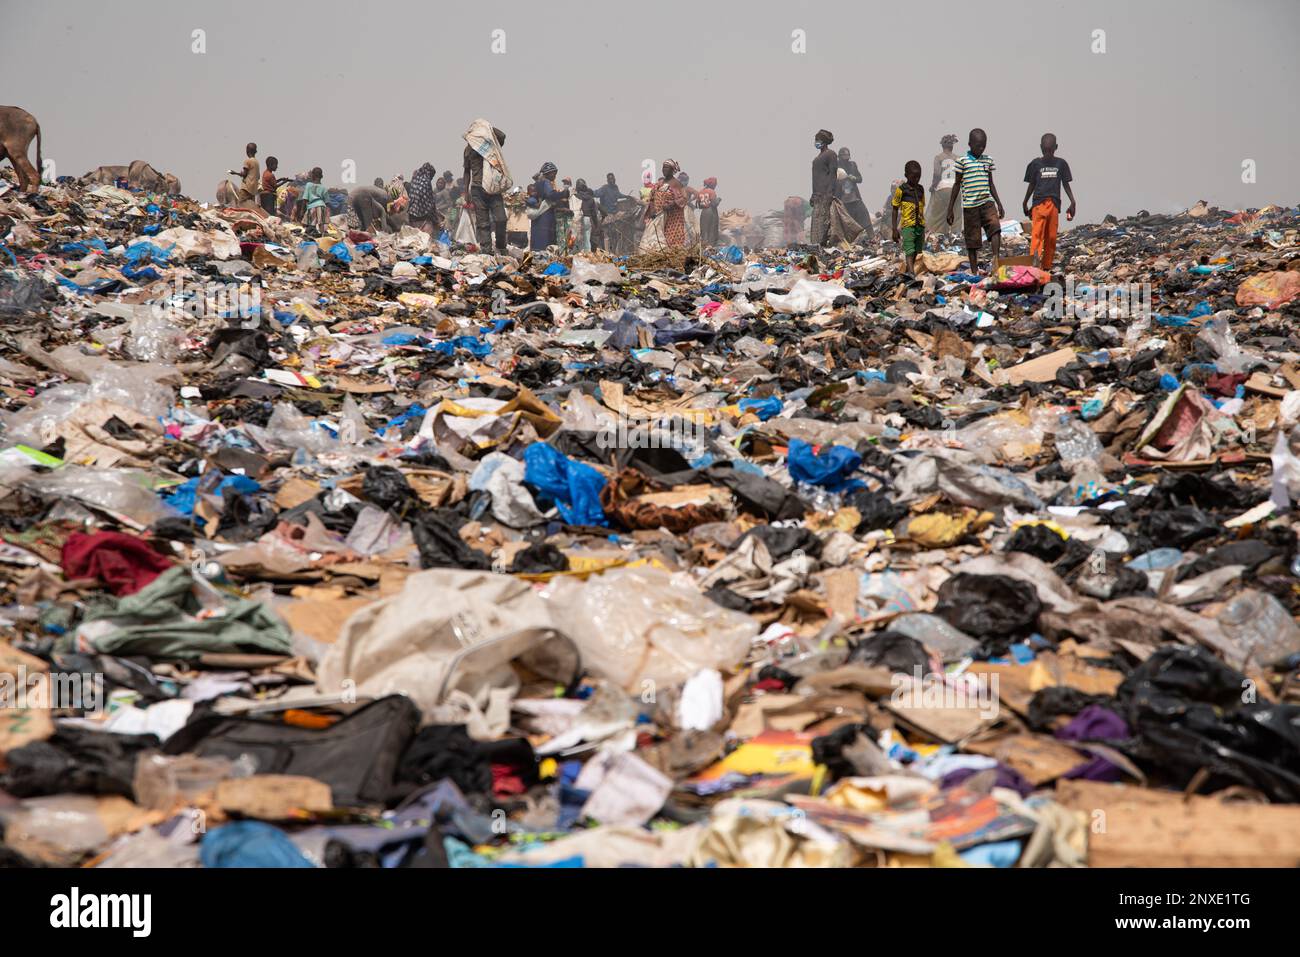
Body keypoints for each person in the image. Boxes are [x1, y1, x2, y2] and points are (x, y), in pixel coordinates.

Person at [946, 128, 1003, 273]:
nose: (981, 148)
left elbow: (991, 183)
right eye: (978, 145)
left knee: (995, 228)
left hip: (987, 202)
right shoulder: (962, 161)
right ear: (970, 144)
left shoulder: (988, 160)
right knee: (972, 241)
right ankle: (974, 271)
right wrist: (950, 208)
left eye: (984, 145)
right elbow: (957, 184)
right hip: (970, 206)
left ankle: (996, 260)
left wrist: (999, 203)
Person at [1023, 133, 1076, 272]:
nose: (1047, 153)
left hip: (1053, 203)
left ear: (1056, 148)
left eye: (1050, 150)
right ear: (1040, 148)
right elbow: (1032, 185)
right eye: (1045, 150)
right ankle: (1033, 266)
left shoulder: (1061, 164)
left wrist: (1073, 201)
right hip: (1038, 204)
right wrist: (1025, 202)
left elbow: (1065, 184)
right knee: (1037, 236)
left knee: (1051, 237)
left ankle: (1046, 266)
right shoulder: (1035, 164)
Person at [464, 125, 509, 255]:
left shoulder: (491, 146)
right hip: (477, 189)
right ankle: (486, 251)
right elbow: (466, 172)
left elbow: (502, 136)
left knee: (501, 219)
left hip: (493, 189)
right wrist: (465, 192)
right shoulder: (468, 150)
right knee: (483, 223)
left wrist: (487, 127)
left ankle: (501, 246)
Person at [644, 159, 690, 248]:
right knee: (657, 238)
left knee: (672, 240)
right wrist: (652, 210)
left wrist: (672, 204)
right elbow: (652, 197)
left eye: (667, 168)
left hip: (673, 218)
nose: (664, 170)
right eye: (663, 168)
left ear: (672, 170)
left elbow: (684, 198)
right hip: (659, 216)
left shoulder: (676, 183)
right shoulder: (659, 184)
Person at [891, 160, 927, 275]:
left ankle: (908, 269)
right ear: (906, 175)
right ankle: (911, 273)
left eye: (919, 177)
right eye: (914, 177)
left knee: (917, 250)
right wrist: (894, 229)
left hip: (919, 225)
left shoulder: (921, 189)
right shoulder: (901, 190)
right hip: (908, 225)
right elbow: (895, 209)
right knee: (909, 250)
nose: (917, 179)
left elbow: (922, 206)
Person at [927, 134, 961, 238]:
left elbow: (937, 174)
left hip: (942, 189)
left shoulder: (938, 157)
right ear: (952, 146)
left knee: (938, 215)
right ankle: (956, 235)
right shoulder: (958, 158)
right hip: (956, 189)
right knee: (956, 213)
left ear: (942, 146)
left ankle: (937, 235)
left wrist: (933, 186)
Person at [838, 148, 873, 241]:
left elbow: (860, 179)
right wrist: (840, 180)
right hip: (843, 200)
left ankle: (872, 238)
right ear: (839, 157)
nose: (846, 158)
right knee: (847, 223)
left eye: (847, 156)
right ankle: (848, 241)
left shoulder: (852, 165)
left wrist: (854, 178)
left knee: (865, 216)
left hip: (854, 198)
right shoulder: (836, 167)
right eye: (843, 156)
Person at [532, 162, 569, 250]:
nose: (555, 176)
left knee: (538, 244)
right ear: (548, 173)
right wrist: (563, 194)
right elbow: (550, 195)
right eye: (554, 174)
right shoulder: (546, 182)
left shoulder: (537, 183)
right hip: (546, 216)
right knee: (546, 243)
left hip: (538, 217)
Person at [810, 129, 838, 246]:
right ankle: (818, 247)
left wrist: (830, 193)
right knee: (816, 224)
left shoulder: (830, 154)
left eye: (818, 139)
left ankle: (822, 246)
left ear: (824, 141)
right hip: (817, 195)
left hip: (825, 194)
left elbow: (832, 174)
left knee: (823, 223)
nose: (816, 142)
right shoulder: (818, 157)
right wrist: (813, 194)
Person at [406, 162, 440, 235]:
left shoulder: (414, 180)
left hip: (412, 214)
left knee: (415, 237)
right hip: (424, 216)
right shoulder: (426, 182)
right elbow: (429, 201)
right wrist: (436, 220)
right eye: (432, 176)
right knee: (426, 238)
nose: (431, 178)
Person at [573, 178, 600, 252]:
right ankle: (587, 254)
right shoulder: (591, 199)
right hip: (587, 219)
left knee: (576, 239)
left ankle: (577, 254)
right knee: (587, 239)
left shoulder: (575, 197)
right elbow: (594, 214)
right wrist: (596, 225)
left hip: (577, 220)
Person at [300, 167, 329, 233]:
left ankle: (310, 235)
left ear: (312, 175)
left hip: (311, 206)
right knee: (321, 224)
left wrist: (302, 210)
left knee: (310, 223)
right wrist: (326, 212)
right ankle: (322, 236)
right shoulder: (324, 188)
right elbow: (327, 202)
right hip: (321, 206)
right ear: (321, 176)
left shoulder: (308, 185)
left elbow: (305, 199)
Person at [698, 177, 720, 246]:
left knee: (704, 230)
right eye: (715, 185)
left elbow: (699, 205)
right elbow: (714, 204)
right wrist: (718, 200)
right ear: (712, 184)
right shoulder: (711, 191)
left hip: (703, 212)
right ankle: (711, 247)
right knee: (712, 230)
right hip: (711, 212)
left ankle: (704, 246)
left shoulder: (701, 192)